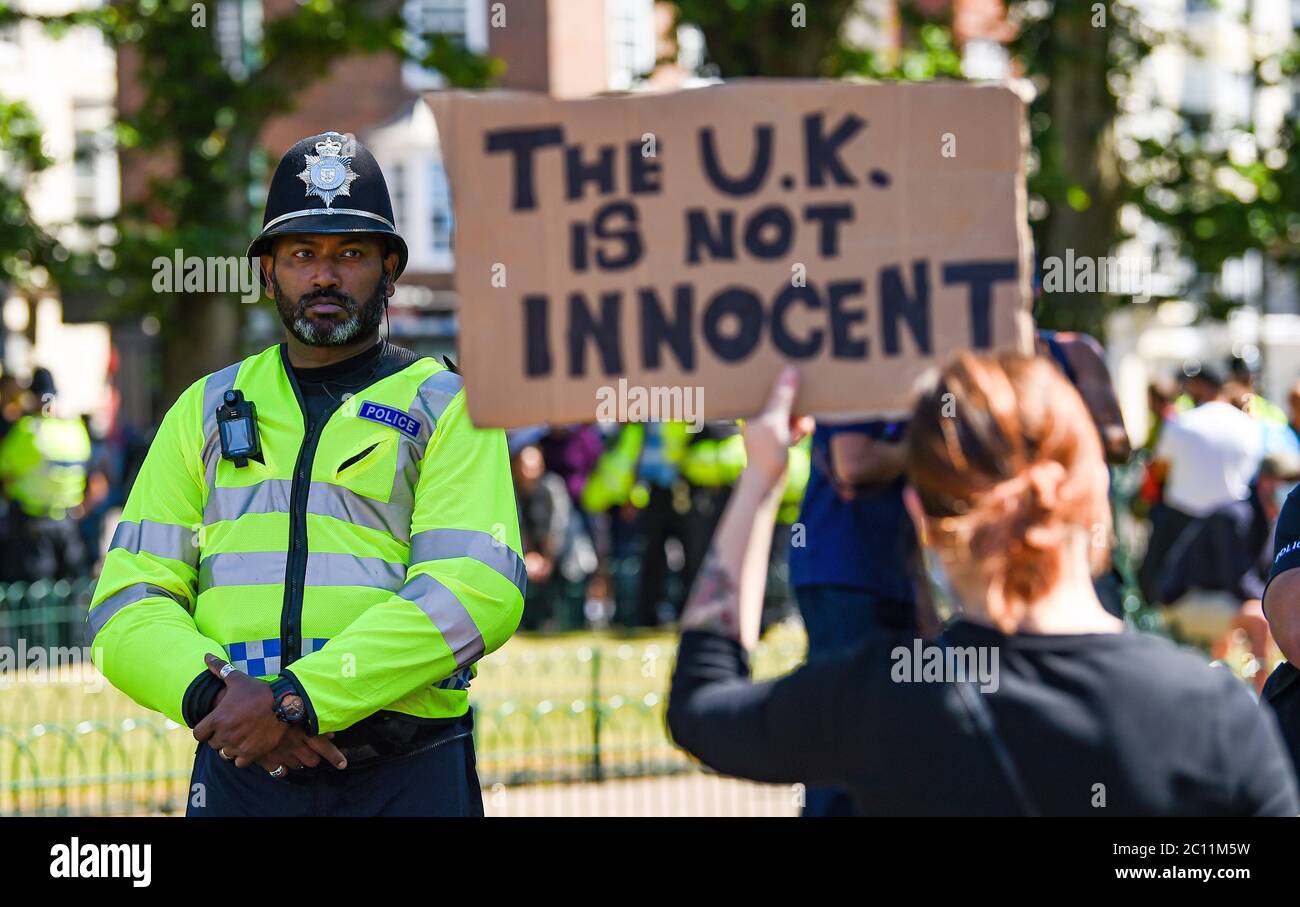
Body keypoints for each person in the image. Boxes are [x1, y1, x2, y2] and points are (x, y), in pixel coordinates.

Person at [86, 132, 524, 817]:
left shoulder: (448, 406)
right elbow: (126, 601)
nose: (325, 277)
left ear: (389, 269)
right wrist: (218, 698)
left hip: (405, 772)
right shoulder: (202, 409)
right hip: (242, 767)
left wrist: (297, 698)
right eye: (301, 255)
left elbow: (476, 592)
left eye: (351, 253)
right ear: (268, 273)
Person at [667, 356, 1297, 815]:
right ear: (1096, 497)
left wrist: (763, 479)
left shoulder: (879, 699)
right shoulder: (1216, 718)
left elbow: (702, 709)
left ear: (920, 516)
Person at [787, 417, 917, 817]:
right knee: (842, 729)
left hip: (885, 575)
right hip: (842, 572)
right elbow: (853, 462)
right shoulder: (861, 366)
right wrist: (928, 449)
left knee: (885, 731)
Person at [1157, 453, 1298, 691]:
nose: (1291, 488)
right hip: (1184, 601)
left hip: (1221, 600)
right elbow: (1240, 582)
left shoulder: (1271, 520)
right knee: (1259, 618)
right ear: (1265, 481)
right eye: (1287, 480)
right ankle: (1262, 700)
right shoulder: (1235, 516)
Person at [1138, 364, 1261, 606]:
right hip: (1233, 522)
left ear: (1202, 387)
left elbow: (1160, 470)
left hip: (1181, 523)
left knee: (1165, 593)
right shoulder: (1248, 425)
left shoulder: (1181, 423)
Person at [0, 368, 92, 582]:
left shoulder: (28, 431)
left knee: (36, 604)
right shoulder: (77, 431)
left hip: (33, 528)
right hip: (69, 524)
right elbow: (92, 480)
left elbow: (5, 475)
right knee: (68, 596)